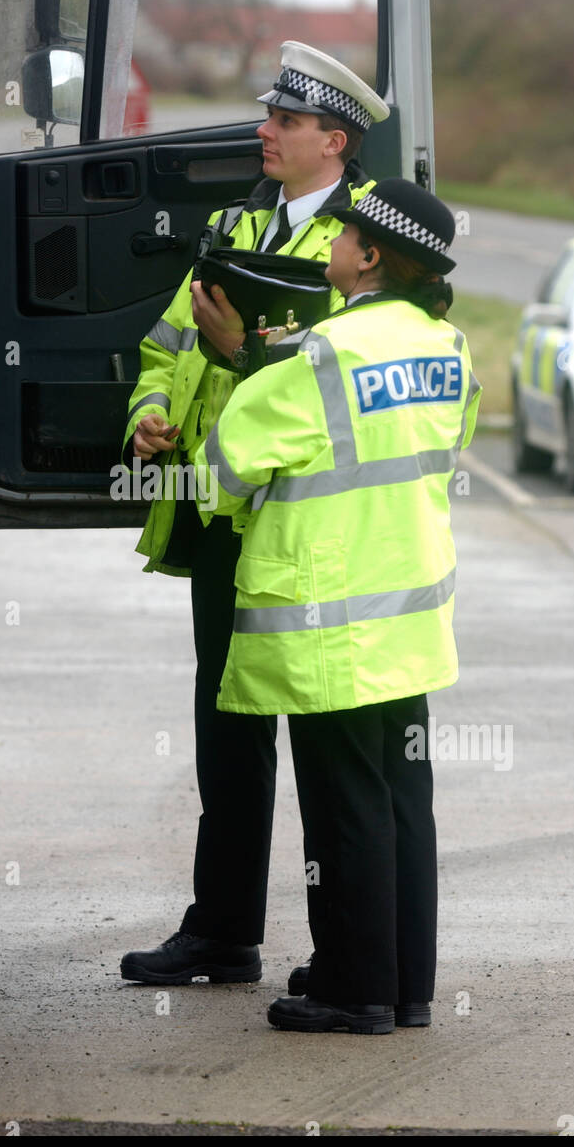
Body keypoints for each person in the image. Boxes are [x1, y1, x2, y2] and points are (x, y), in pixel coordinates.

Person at [120, 44, 389, 985]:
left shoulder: (359, 249)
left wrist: (237, 356)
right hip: (213, 510)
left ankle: (342, 957)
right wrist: (146, 415)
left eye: (285, 121)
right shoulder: (234, 220)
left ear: (334, 141)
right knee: (225, 733)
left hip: (295, 526)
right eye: (267, 115)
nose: (263, 131)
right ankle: (223, 929)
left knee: (317, 746)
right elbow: (163, 345)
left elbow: (332, 388)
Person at [189, 178, 481, 1032]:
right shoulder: (449, 344)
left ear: (370, 256)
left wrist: (238, 366)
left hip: (331, 615)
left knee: (344, 804)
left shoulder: (322, 353)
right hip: (408, 613)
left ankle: (355, 990)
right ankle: (402, 985)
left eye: (346, 231)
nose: (333, 240)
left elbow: (221, 469)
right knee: (399, 801)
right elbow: (445, 443)